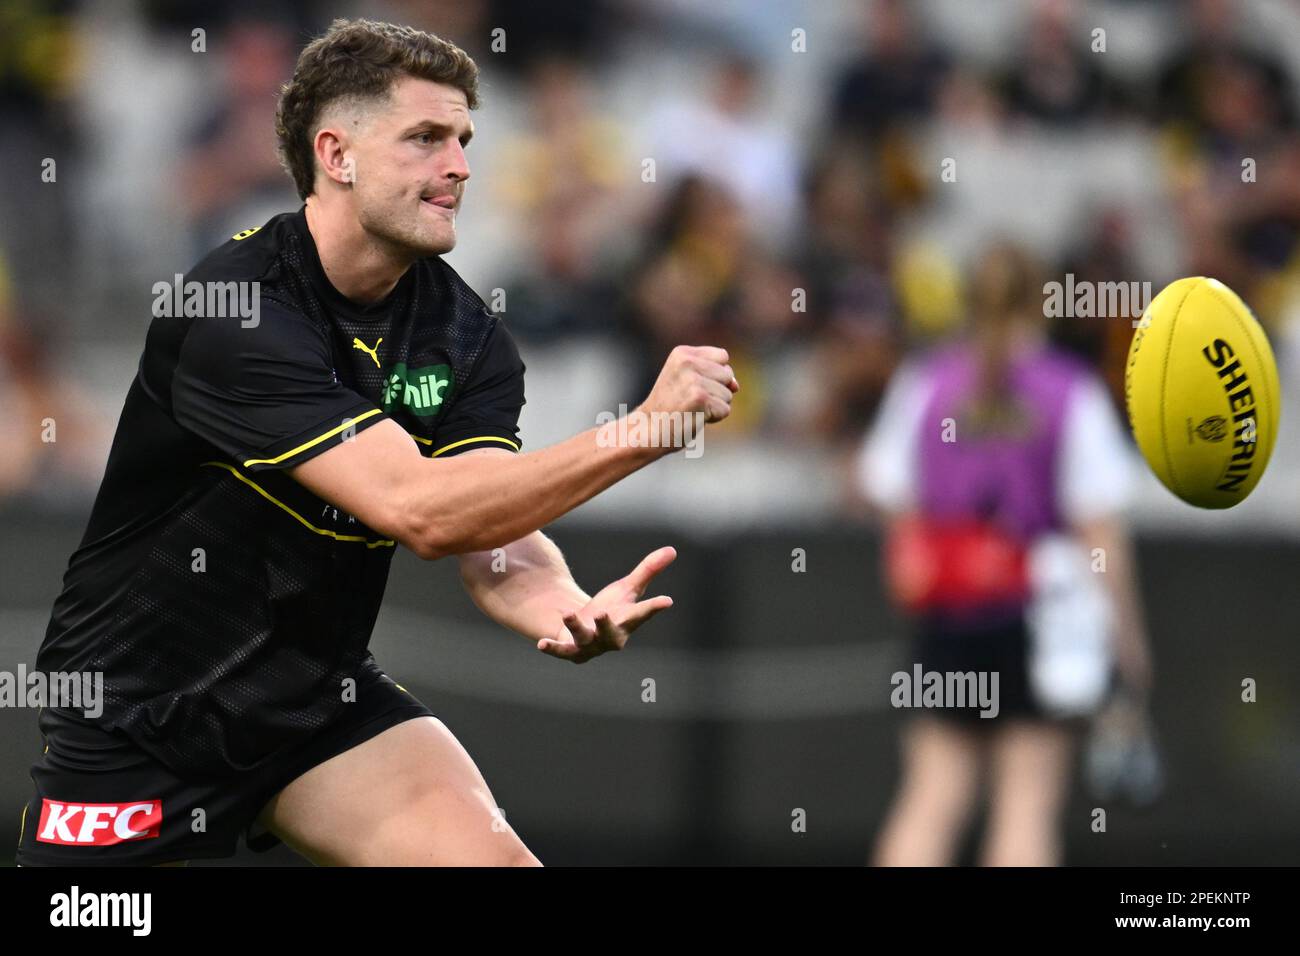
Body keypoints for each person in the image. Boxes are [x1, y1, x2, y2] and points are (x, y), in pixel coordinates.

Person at [14, 18, 738, 867]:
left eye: (464, 139)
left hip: (315, 707)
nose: (460, 166)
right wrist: (642, 433)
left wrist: (562, 603)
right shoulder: (234, 308)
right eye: (426, 138)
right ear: (337, 153)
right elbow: (420, 511)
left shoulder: (468, 338)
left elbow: (487, 529)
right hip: (142, 724)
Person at [857, 242, 1151, 866]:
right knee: (1027, 802)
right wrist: (1129, 644)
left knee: (932, 797)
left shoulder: (927, 382)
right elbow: (1099, 533)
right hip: (1035, 619)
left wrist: (923, 559)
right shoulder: (1069, 392)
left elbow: (888, 493)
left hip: (950, 618)